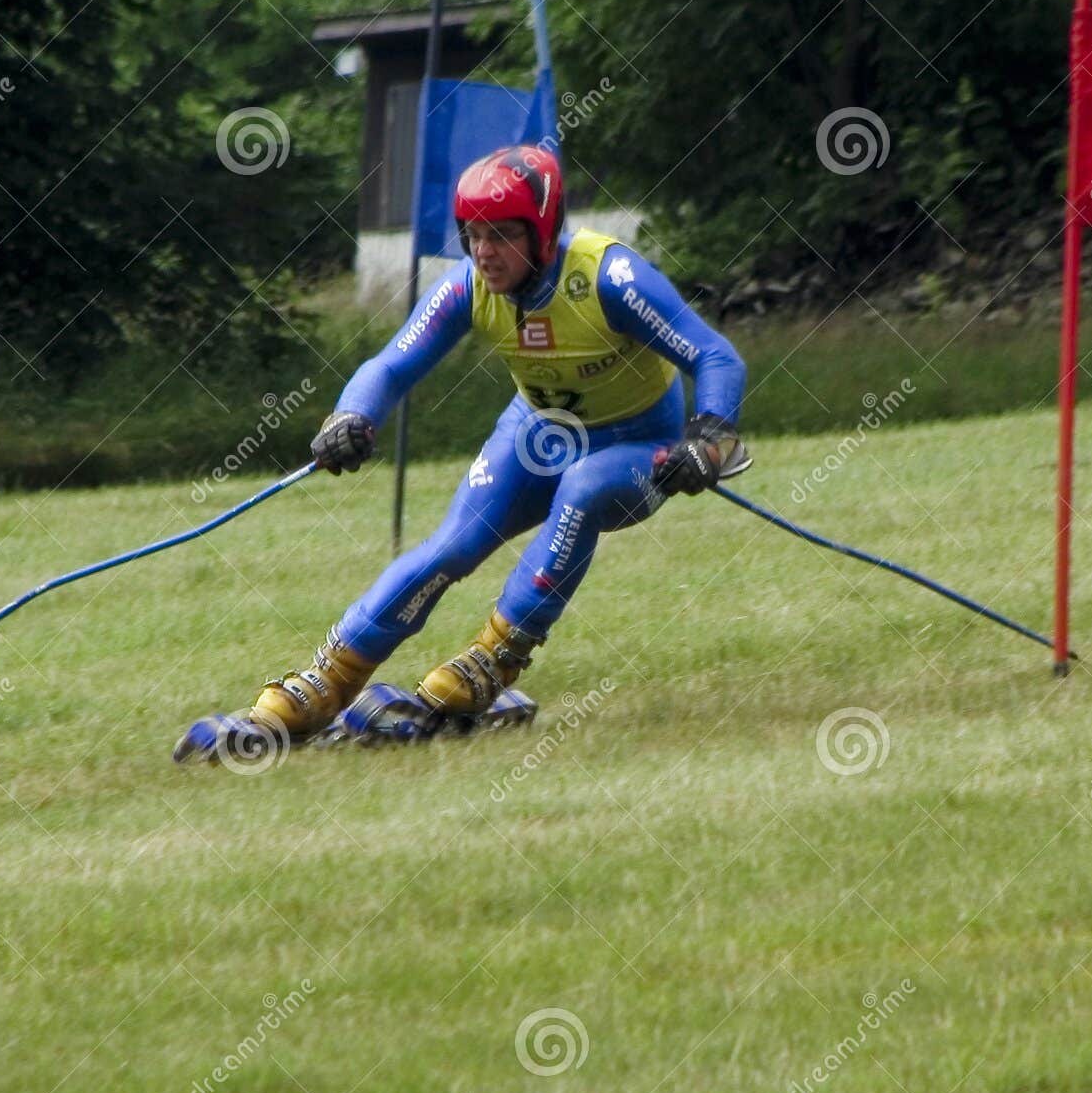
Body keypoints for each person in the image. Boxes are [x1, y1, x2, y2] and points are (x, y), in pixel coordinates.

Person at [247, 144, 748, 737]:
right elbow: (391, 366)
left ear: (542, 232)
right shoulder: (467, 287)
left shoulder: (610, 277)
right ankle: (331, 677)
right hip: (538, 433)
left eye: (503, 235)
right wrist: (351, 416)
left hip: (639, 448)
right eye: (472, 235)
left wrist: (710, 435)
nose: (484, 252)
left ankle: (498, 655)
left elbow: (716, 354)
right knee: (451, 547)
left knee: (584, 487)